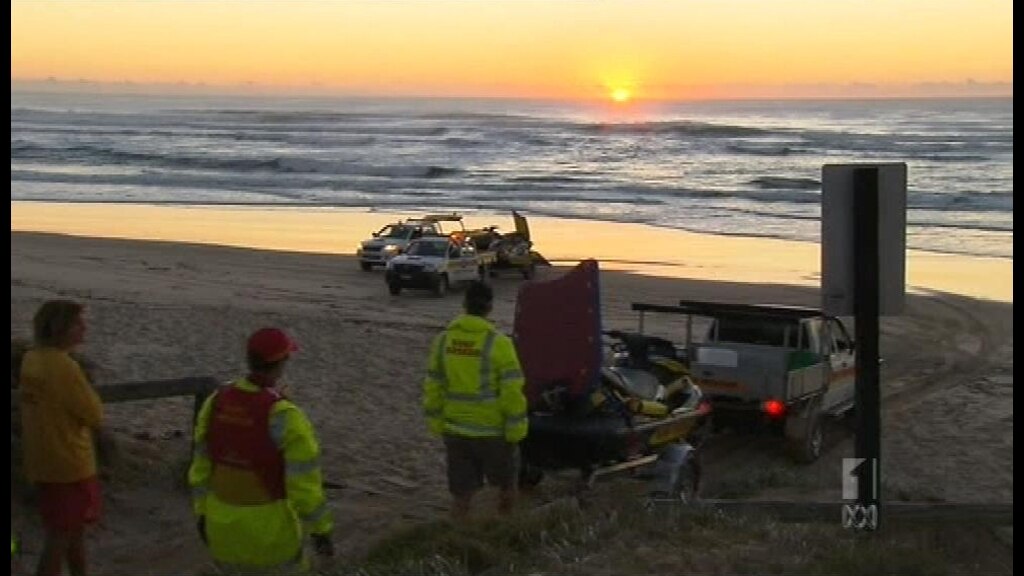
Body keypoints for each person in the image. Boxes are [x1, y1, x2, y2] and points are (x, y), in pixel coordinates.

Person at [188, 328, 334, 575]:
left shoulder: (217, 401)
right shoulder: (286, 416)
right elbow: (304, 487)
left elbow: (201, 468)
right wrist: (322, 530)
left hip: (221, 530)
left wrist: (201, 512)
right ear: (282, 363)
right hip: (271, 538)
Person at [423, 280, 528, 519]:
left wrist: (436, 422)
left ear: (464, 304)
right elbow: (512, 392)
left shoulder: (443, 341)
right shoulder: (499, 343)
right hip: (493, 432)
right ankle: (503, 528)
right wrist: (516, 430)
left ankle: (460, 534)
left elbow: (433, 385)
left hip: (455, 429)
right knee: (506, 488)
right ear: (489, 307)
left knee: (461, 494)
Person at [19, 300, 103, 576]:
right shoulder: (64, 367)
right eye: (78, 323)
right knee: (60, 536)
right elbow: (93, 414)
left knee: (72, 532)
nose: (84, 328)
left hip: (43, 460)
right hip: (68, 463)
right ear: (61, 328)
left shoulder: (32, 359)